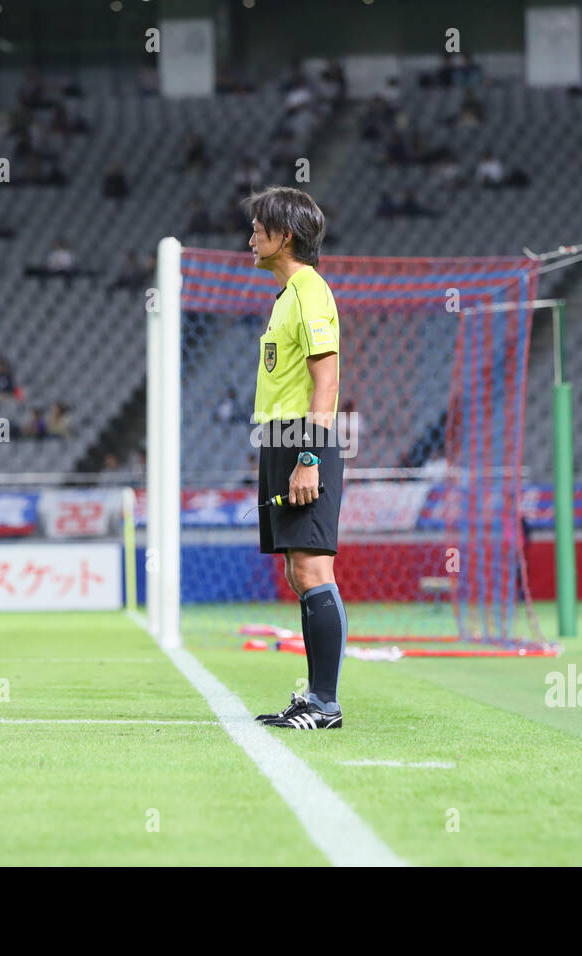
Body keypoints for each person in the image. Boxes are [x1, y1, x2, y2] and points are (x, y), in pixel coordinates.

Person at [242, 186, 346, 730]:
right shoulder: (287, 296)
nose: (250, 236)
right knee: (298, 571)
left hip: (305, 442)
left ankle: (325, 705)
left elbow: (325, 379)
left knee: (312, 568)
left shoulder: (310, 291)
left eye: (259, 227)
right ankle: (315, 697)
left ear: (284, 236)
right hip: (282, 440)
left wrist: (309, 456)